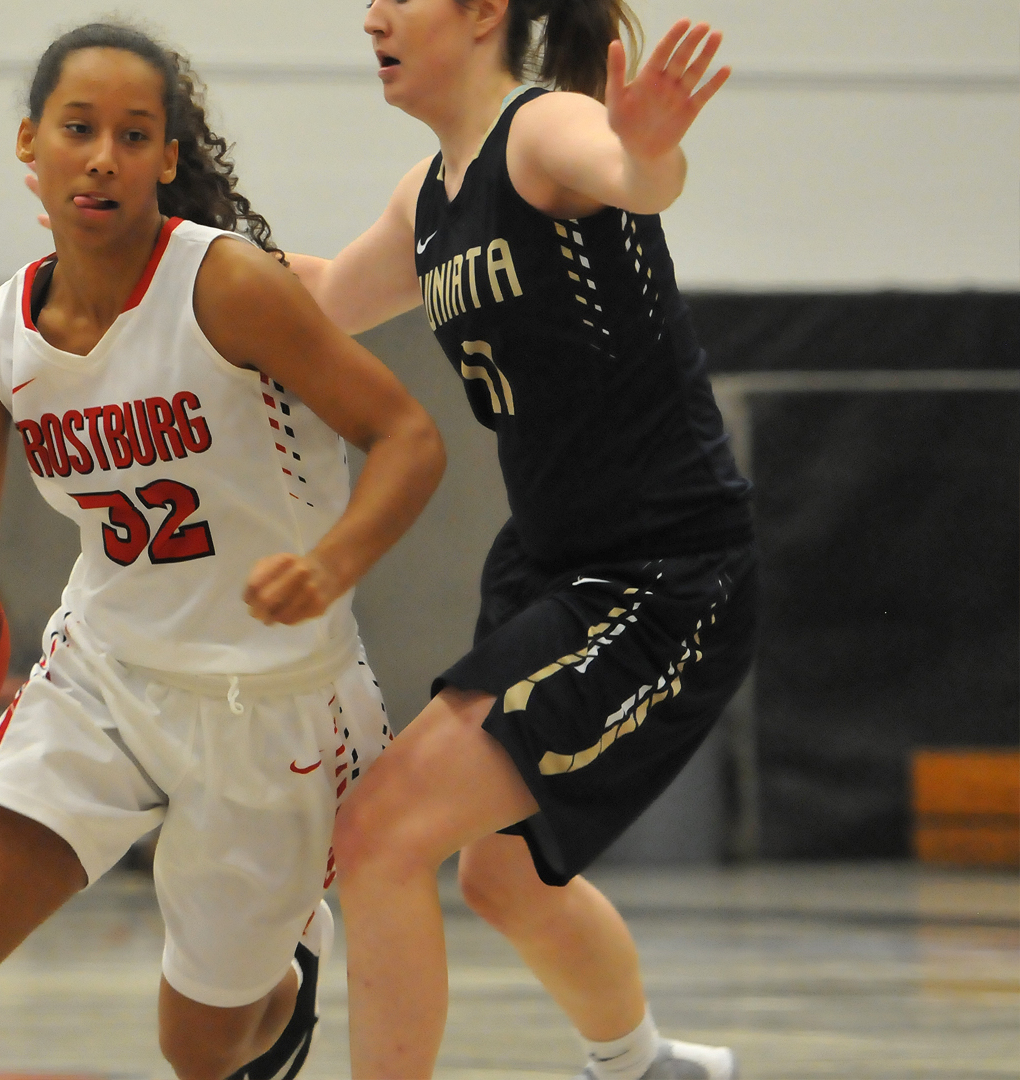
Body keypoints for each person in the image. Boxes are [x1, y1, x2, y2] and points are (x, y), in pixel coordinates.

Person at [0, 21, 445, 1080]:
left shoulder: (227, 287)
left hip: (268, 701)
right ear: (29, 145)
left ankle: (285, 987)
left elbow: (410, 437)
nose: (103, 156)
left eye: (134, 135)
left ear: (166, 160)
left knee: (201, 1049)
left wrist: (335, 563)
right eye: (78, 129)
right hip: (103, 674)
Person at [283, 1, 755, 1078]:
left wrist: (646, 148)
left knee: (380, 836)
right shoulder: (431, 198)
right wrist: (168, 253)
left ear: (484, 10)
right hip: (551, 563)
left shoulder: (541, 132)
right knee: (498, 877)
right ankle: (647, 1068)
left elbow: (634, 175)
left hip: (664, 576)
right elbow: (321, 298)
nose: (371, 16)